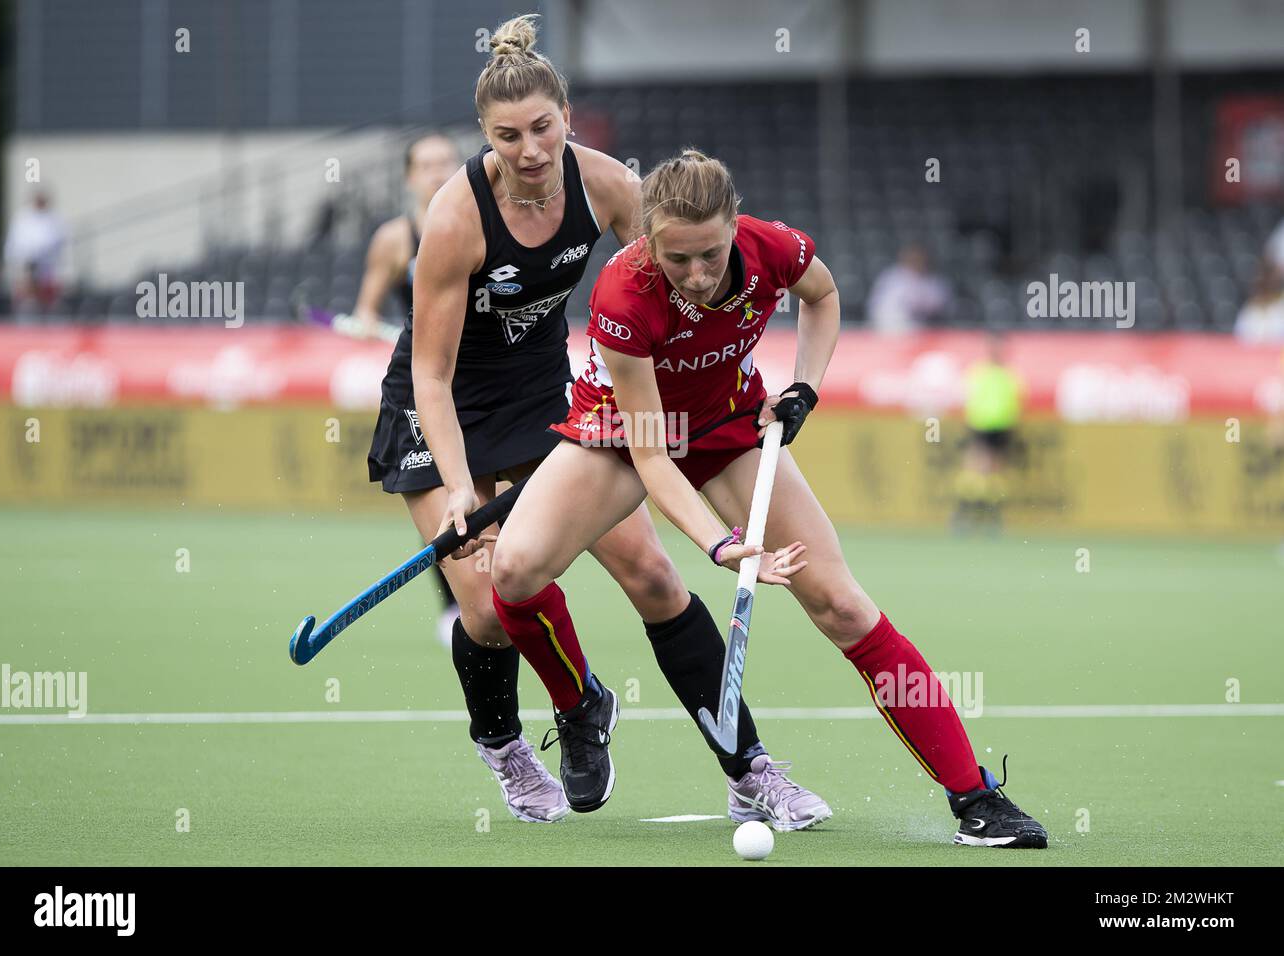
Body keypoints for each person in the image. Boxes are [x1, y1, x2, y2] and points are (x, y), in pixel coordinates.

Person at [489, 148, 1048, 848]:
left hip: (729, 427)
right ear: (648, 240)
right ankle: (581, 704)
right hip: (623, 437)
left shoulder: (773, 247)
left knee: (842, 603)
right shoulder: (623, 294)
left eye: (711, 256)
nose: (696, 275)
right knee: (512, 569)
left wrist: (805, 386)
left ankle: (976, 799)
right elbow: (653, 455)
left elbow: (824, 296)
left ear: (735, 228)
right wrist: (718, 545)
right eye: (678, 258)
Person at [381, 15, 828, 828]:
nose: (529, 149)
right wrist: (456, 489)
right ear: (485, 135)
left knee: (655, 577)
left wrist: (722, 389)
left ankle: (751, 768)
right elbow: (432, 373)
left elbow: (675, 292)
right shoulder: (455, 219)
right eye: (507, 135)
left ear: (566, 116)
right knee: (485, 607)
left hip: (549, 393)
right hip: (440, 407)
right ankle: (532, 735)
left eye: (543, 127)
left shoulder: (609, 186)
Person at [356, 134, 463, 646]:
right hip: (428, 381)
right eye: (426, 165)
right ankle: (454, 605)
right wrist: (363, 324)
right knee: (443, 492)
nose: (438, 171)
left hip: (480, 379)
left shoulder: (474, 226)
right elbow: (366, 310)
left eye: (446, 161)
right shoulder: (395, 240)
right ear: (409, 176)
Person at [952, 329, 1023, 534]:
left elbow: (1015, 403)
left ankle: (990, 515)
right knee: (976, 470)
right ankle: (965, 512)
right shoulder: (979, 371)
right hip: (981, 427)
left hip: (1001, 428)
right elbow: (969, 398)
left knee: (994, 473)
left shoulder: (1009, 374)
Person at [4, 192, 67, 317]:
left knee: (46, 295)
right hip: (26, 262)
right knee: (26, 295)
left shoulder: (54, 218)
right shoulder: (23, 218)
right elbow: (14, 242)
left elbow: (58, 240)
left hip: (47, 264)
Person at [865, 244, 949, 336]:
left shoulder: (933, 281)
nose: (916, 261)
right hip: (890, 329)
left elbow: (939, 306)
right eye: (912, 258)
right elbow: (878, 307)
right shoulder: (891, 277)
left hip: (926, 330)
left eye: (918, 258)